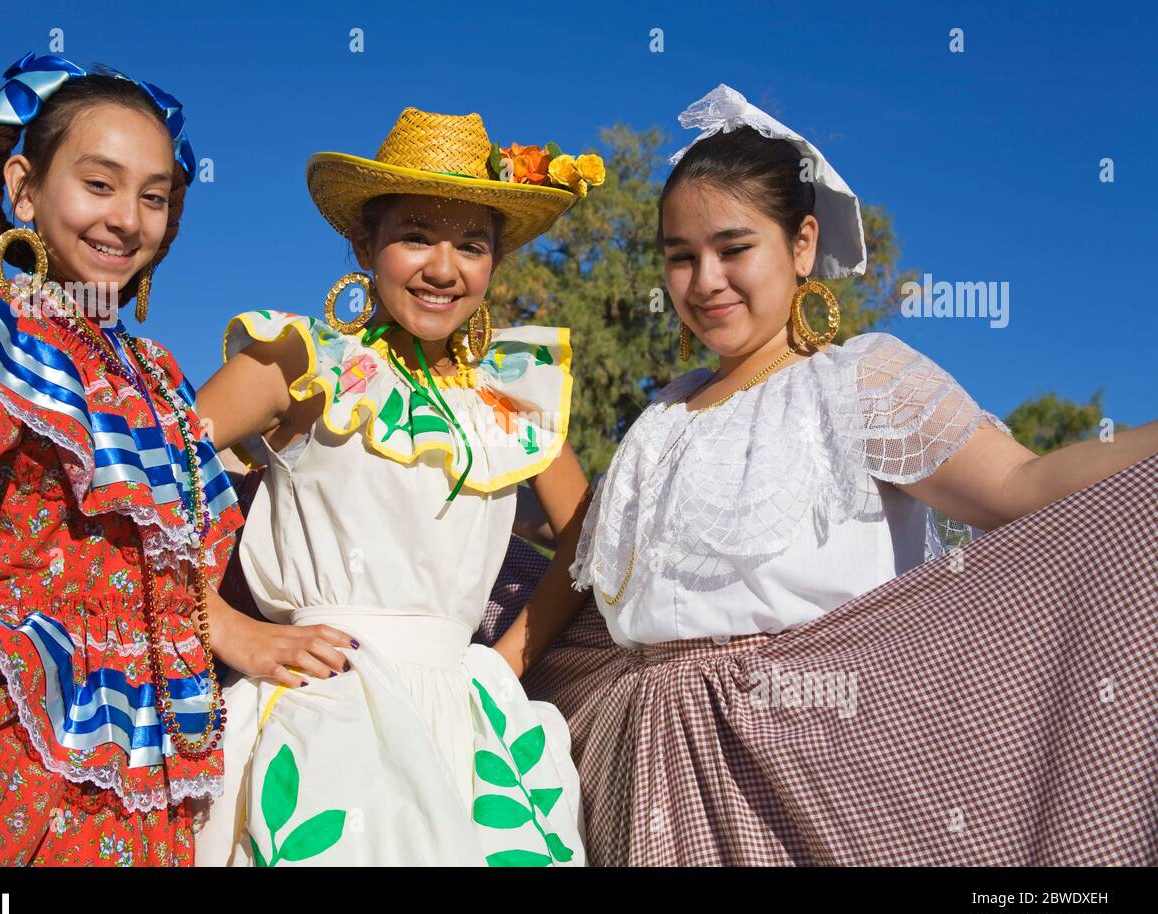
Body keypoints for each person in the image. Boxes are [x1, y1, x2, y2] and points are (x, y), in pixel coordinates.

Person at [488, 83, 1158, 866]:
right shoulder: (661, 419)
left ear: (801, 245)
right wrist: (483, 679)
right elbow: (587, 579)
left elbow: (1024, 489)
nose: (705, 281)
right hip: (625, 767)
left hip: (798, 772)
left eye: (734, 249)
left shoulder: (859, 384)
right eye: (680, 257)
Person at [0, 53, 241, 865]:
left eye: (153, 197)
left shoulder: (162, 379)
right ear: (26, 189)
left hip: (165, 767)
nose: (127, 220)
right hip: (35, 745)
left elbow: (185, 567)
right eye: (99, 185)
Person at [192, 108, 601, 866]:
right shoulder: (300, 361)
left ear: (495, 261)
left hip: (471, 730)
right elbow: (139, 468)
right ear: (363, 244)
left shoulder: (513, 398)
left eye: (472, 245)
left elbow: (590, 536)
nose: (444, 268)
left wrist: (505, 657)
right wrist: (221, 626)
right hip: (325, 709)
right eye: (416, 235)